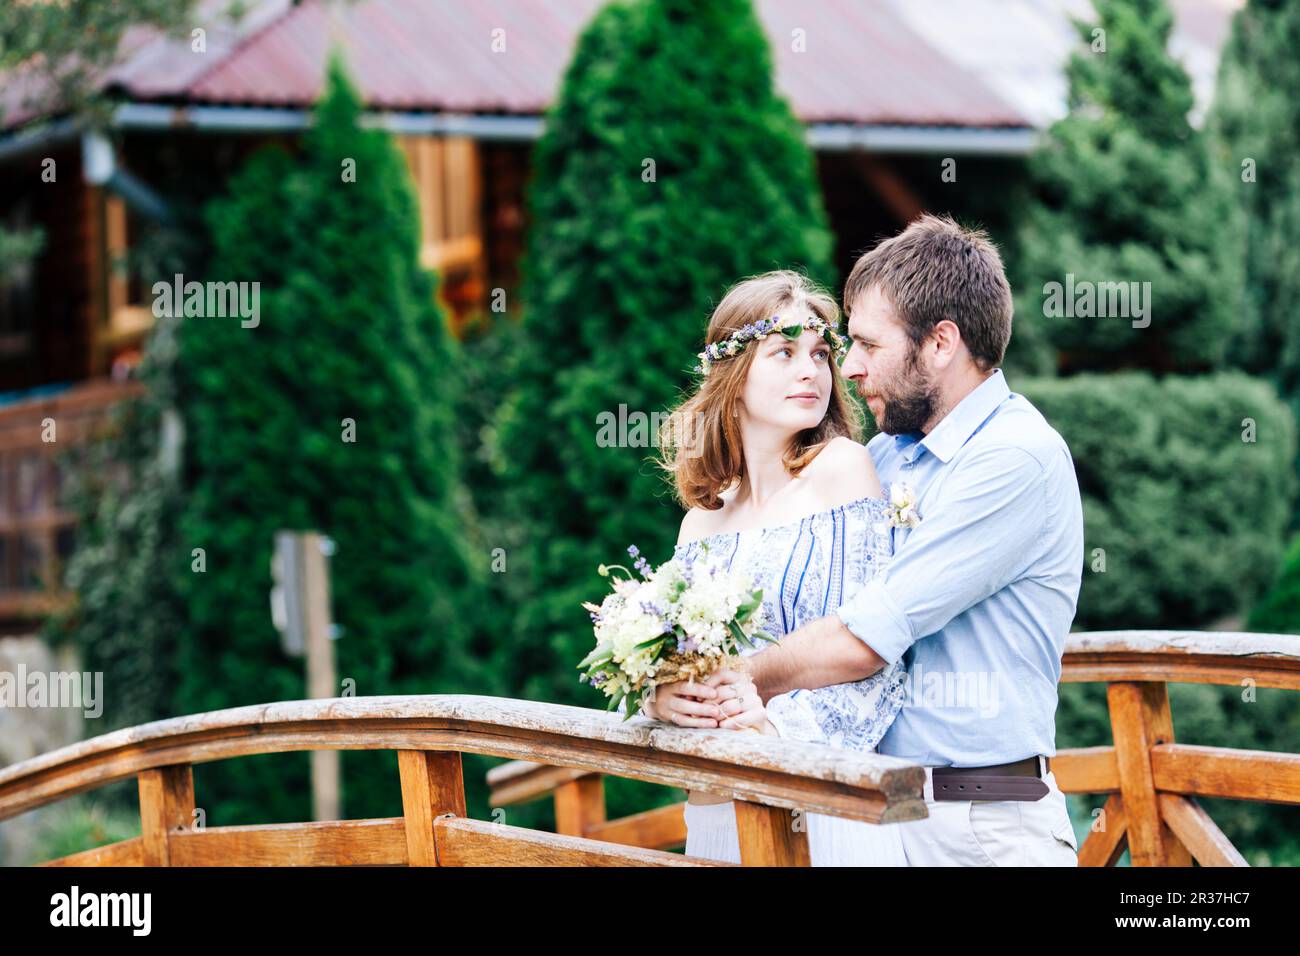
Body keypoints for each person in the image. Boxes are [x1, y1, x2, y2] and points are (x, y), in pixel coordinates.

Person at [656, 214, 1084, 866]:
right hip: (878, 808)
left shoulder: (1013, 458)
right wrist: (670, 688)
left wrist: (739, 683)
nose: (847, 367)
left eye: (863, 344)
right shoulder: (886, 458)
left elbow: (868, 632)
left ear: (940, 343)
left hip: (984, 825)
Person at [642, 269, 908, 865]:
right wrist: (659, 699)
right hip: (713, 807)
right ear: (734, 377)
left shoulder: (843, 470)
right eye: (783, 354)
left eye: (819, 353)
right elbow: (676, 660)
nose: (811, 370)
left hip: (820, 798)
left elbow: (875, 652)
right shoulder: (700, 522)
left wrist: (771, 730)